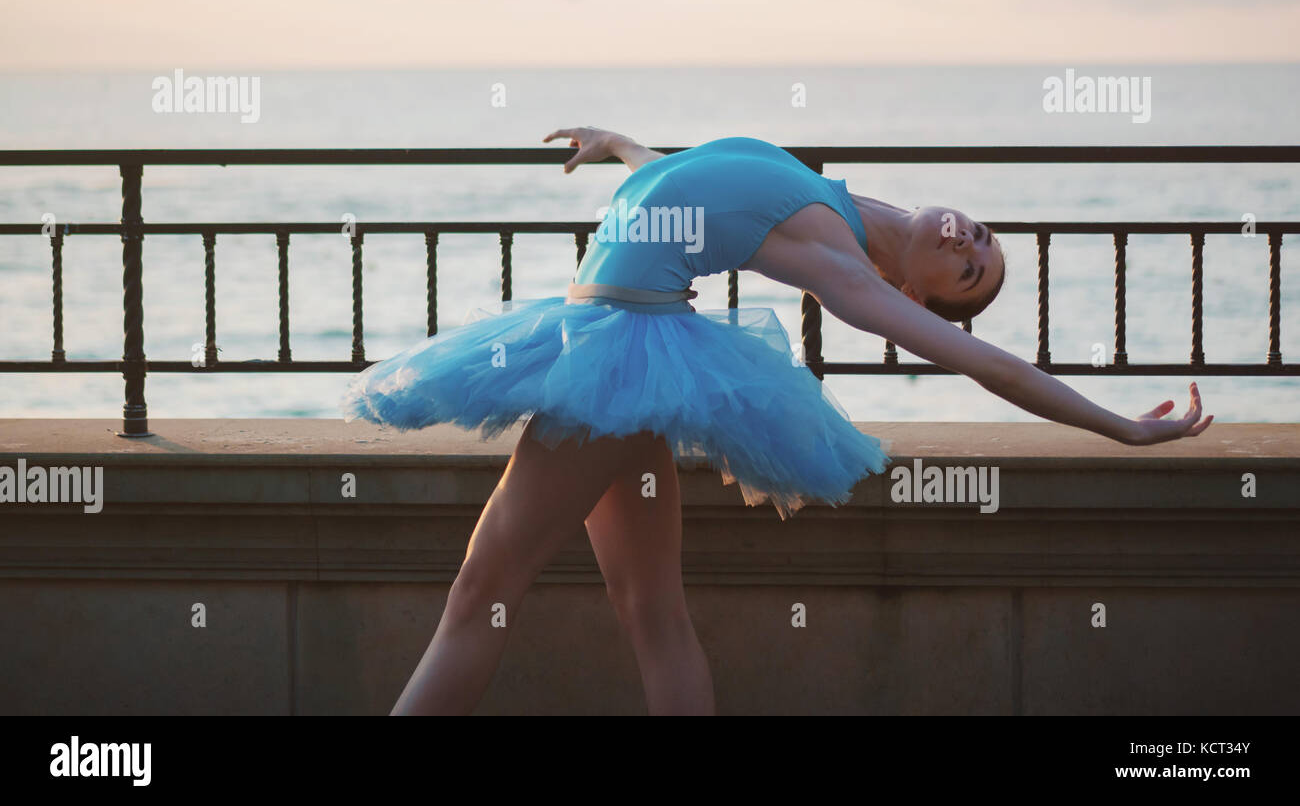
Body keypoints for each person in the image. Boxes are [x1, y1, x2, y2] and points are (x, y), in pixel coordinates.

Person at [342, 127, 1212, 715]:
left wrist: (1121, 428)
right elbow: (696, 187)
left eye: (968, 275)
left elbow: (984, 362)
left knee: (481, 591)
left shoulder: (846, 267)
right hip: (627, 355)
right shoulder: (824, 194)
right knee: (650, 608)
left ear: (917, 296)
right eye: (979, 237)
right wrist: (622, 146)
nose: (968, 247)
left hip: (617, 353)